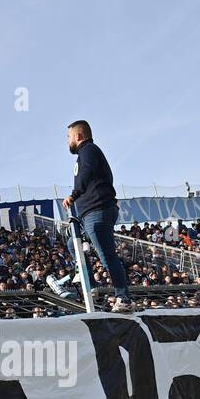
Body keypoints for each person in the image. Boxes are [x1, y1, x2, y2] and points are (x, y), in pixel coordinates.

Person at [62, 120, 135, 312]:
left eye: (69, 137)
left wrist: (74, 194)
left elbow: (86, 173)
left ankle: (124, 298)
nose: (67, 141)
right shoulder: (86, 153)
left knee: (107, 256)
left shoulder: (88, 150)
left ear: (78, 136)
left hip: (98, 211)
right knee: (73, 245)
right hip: (90, 214)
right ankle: (91, 286)